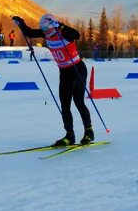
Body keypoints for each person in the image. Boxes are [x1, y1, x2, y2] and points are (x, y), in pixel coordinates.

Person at [12, 13, 94, 146]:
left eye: (46, 28)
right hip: (64, 72)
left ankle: (89, 132)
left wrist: (61, 26)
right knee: (65, 105)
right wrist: (21, 23)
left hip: (77, 69)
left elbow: (77, 35)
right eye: (43, 29)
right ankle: (69, 135)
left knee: (78, 102)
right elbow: (30, 33)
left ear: (54, 25)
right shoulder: (46, 34)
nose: (44, 31)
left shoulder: (64, 33)